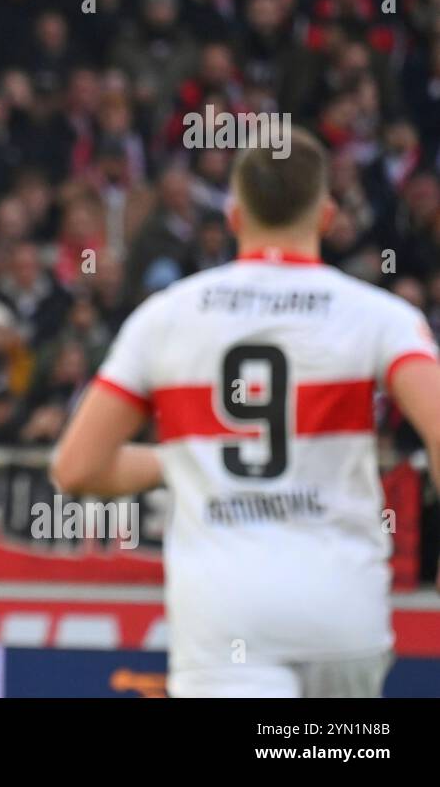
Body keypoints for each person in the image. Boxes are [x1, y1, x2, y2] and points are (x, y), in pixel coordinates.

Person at [52, 130, 440, 697]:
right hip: (342, 611)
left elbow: (76, 467)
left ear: (234, 216)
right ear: (327, 216)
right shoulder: (380, 315)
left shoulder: (165, 317)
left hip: (225, 619)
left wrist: (187, 461)